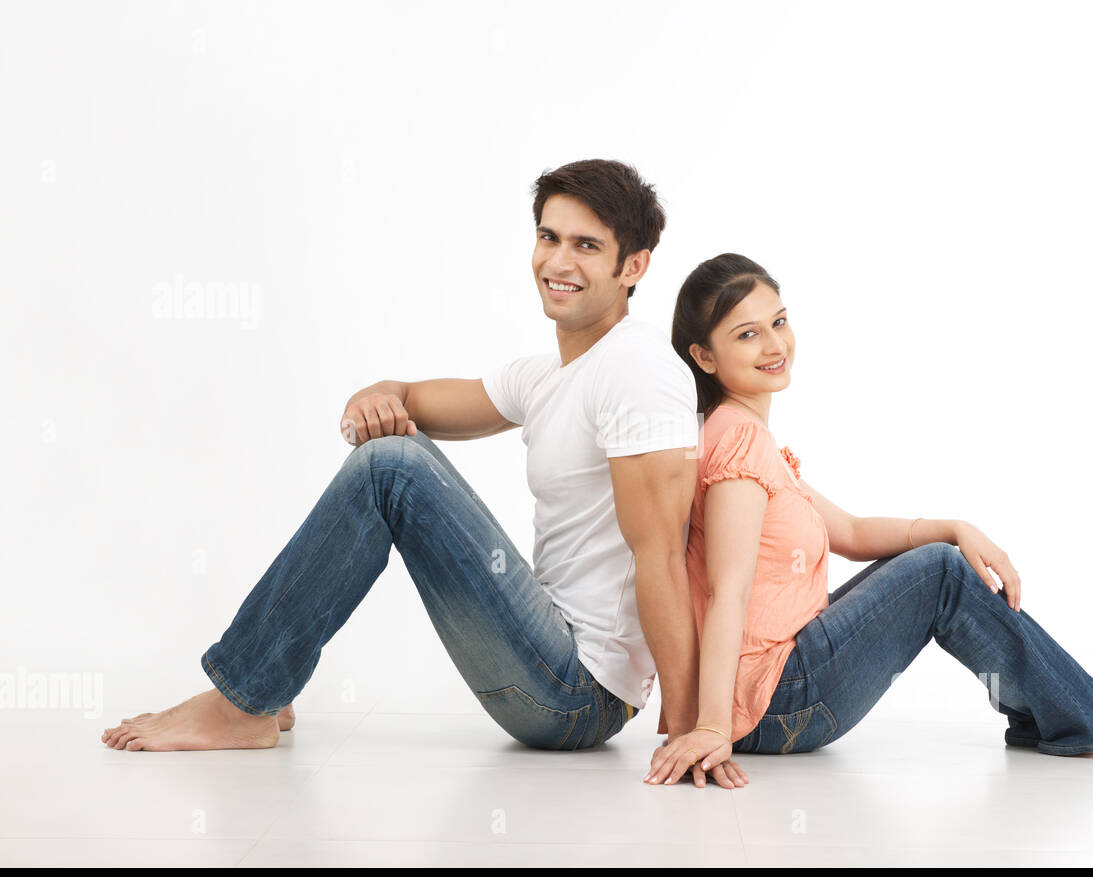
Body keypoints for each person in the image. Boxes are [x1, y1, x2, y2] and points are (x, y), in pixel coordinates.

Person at [101, 159, 721, 757]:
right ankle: (265, 685)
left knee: (392, 468)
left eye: (586, 245)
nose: (558, 261)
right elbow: (406, 398)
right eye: (548, 237)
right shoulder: (545, 376)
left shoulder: (636, 367)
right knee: (392, 455)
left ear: (633, 266)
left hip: (576, 694)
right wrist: (372, 398)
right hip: (549, 658)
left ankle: (243, 703)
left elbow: (661, 555)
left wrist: (692, 728)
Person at [644, 253, 1093, 788]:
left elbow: (851, 533)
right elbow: (726, 591)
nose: (774, 345)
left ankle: (1045, 714)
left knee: (937, 561)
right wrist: (712, 726)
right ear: (705, 357)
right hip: (778, 702)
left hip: (770, 691)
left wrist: (954, 527)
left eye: (779, 322)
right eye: (747, 334)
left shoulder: (737, 434)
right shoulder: (740, 442)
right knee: (939, 573)